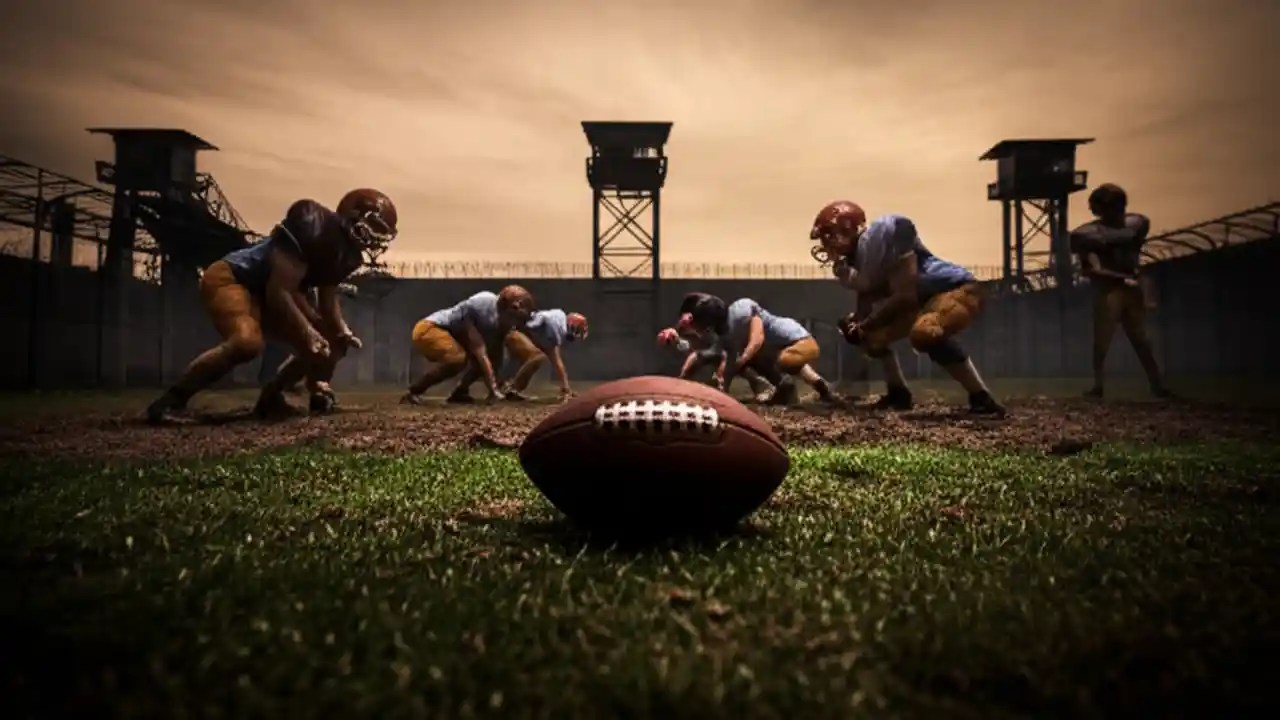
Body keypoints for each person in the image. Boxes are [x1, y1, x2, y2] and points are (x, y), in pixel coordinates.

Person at [145, 189, 397, 423]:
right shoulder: (313, 222)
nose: (377, 237)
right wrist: (306, 331)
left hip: (277, 292)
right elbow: (279, 289)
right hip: (237, 278)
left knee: (330, 340)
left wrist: (341, 331)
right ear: (352, 215)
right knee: (246, 343)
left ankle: (275, 397)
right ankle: (170, 402)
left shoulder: (348, 256)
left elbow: (328, 301)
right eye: (375, 226)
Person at [810, 200, 1005, 415]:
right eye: (825, 237)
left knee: (925, 333)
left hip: (953, 289)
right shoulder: (857, 262)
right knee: (871, 339)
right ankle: (898, 393)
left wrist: (866, 323)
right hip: (921, 301)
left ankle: (982, 398)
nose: (828, 243)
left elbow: (905, 295)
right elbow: (868, 295)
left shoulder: (883, 234)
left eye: (831, 234)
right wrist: (857, 323)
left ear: (853, 228)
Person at [1069, 183, 1173, 399]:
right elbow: (1092, 270)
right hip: (1110, 289)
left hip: (1129, 286)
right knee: (1103, 340)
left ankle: (1156, 385)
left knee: (1142, 339)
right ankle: (1098, 385)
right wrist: (1125, 278)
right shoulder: (1090, 235)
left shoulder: (1134, 225)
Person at [679, 292, 837, 405]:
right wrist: (722, 388)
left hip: (800, 342)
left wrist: (741, 360)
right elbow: (725, 361)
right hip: (784, 348)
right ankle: (822, 388)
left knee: (769, 358)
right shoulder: (727, 332)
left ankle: (783, 387)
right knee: (765, 358)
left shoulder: (741, 311)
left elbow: (757, 339)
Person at [401, 285, 536, 404]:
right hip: (429, 328)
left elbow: (494, 356)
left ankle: (460, 392)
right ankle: (414, 391)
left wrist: (498, 385)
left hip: (452, 335)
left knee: (479, 360)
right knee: (458, 359)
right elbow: (480, 350)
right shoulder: (481, 304)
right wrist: (493, 389)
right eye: (514, 317)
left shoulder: (500, 322)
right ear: (507, 308)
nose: (515, 322)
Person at [492, 309, 589, 401]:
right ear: (572, 326)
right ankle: (511, 389)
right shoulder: (555, 327)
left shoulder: (554, 325)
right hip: (514, 332)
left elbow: (557, 361)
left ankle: (499, 387)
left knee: (521, 360)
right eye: (577, 330)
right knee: (537, 357)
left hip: (515, 333)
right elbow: (556, 360)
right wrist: (566, 387)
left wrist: (566, 387)